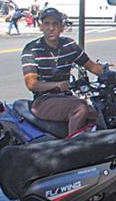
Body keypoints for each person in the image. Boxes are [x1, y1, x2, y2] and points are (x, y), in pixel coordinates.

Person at [21, 8, 106, 137]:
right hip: (43, 101)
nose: (51, 28)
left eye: (55, 24)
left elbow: (92, 66)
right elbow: (31, 84)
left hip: (65, 97)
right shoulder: (32, 49)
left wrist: (114, 74)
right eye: (47, 24)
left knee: (97, 113)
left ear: (62, 27)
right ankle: (72, 149)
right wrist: (56, 85)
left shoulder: (69, 46)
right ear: (41, 27)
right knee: (79, 109)